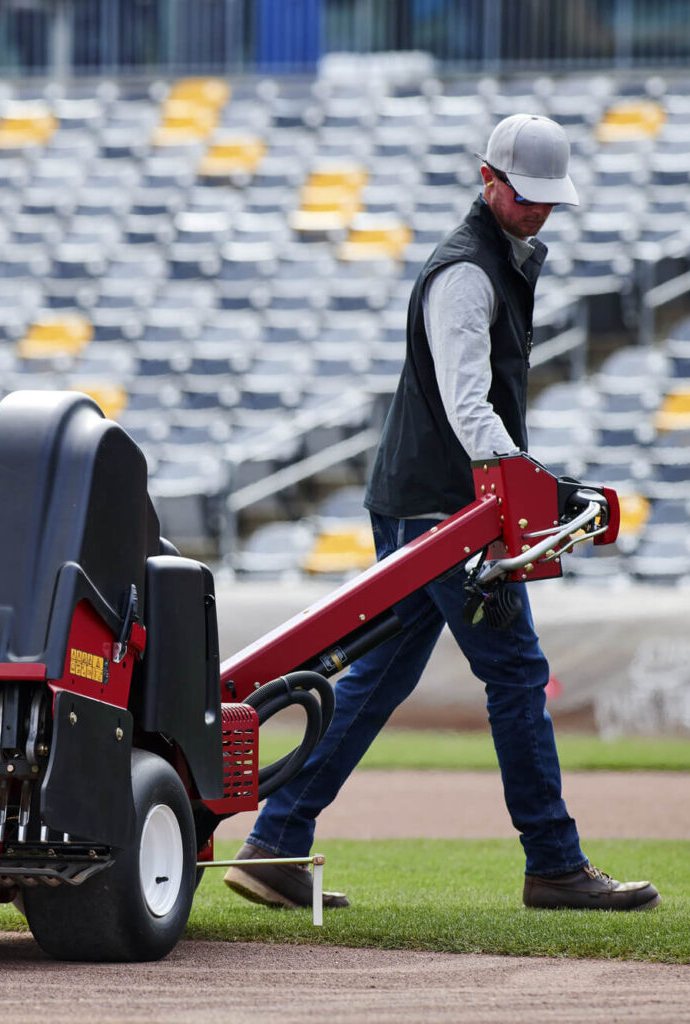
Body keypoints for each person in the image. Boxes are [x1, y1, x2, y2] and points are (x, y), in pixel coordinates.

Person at [223, 114, 660, 913]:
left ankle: (275, 841)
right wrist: (532, 483)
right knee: (516, 673)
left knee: (379, 679)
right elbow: (468, 406)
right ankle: (553, 863)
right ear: (488, 180)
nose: (538, 210)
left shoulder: (493, 259)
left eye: (547, 200)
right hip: (448, 515)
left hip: (425, 503)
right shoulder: (467, 273)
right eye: (525, 197)